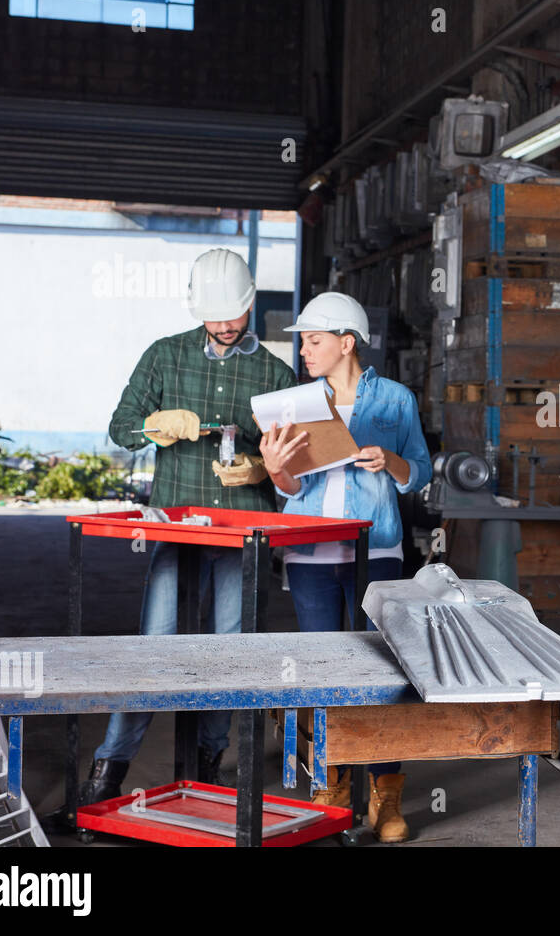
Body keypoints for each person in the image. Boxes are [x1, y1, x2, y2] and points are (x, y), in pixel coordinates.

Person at [79, 248, 297, 804]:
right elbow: (120, 428)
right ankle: (108, 774)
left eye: (235, 315)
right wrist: (154, 427)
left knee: (232, 649)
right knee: (155, 647)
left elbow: (295, 465)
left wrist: (262, 469)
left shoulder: (275, 374)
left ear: (251, 304)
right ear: (197, 309)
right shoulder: (164, 357)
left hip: (242, 532)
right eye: (215, 316)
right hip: (176, 529)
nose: (225, 327)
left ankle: (208, 767)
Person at [258, 291, 431, 843]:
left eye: (313, 340)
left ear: (346, 343)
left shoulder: (396, 400)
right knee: (323, 671)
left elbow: (419, 473)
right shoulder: (296, 402)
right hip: (311, 553)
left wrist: (391, 460)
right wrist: (274, 469)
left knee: (384, 674)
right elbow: (290, 486)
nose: (304, 350)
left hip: (375, 551)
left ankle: (386, 796)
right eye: (303, 342)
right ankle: (329, 791)